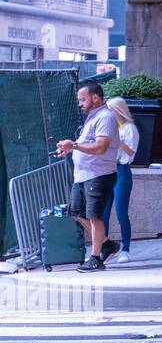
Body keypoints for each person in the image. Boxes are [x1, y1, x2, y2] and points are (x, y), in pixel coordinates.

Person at [55, 83, 121, 272]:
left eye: (82, 99)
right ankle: (107, 244)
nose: (80, 104)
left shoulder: (106, 117)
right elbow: (86, 144)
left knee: (95, 217)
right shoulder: (92, 117)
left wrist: (73, 145)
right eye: (79, 100)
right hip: (83, 176)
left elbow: (101, 147)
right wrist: (68, 149)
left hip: (99, 175)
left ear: (95, 98)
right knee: (76, 213)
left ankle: (95, 259)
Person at [99, 97, 139, 264]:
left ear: (118, 111)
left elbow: (130, 153)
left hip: (121, 171)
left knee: (121, 213)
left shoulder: (130, 128)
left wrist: (118, 140)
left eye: (111, 110)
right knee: (103, 215)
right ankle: (103, 250)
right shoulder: (108, 127)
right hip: (107, 171)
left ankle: (125, 249)